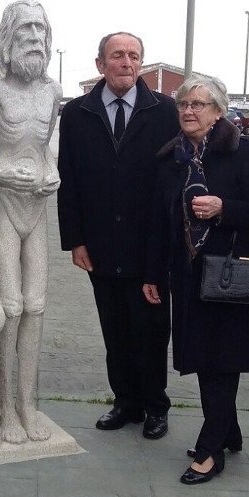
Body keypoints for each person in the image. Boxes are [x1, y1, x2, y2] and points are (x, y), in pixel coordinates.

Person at [142, 75, 249, 484]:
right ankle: (228, 432)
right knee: (203, 358)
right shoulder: (172, 156)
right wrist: (152, 273)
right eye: (183, 104)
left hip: (228, 271)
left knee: (223, 360)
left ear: (218, 111)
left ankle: (210, 449)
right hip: (187, 272)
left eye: (198, 104)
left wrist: (223, 207)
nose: (188, 111)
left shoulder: (241, 150)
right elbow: (159, 222)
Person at [58, 31, 179, 441]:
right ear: (100, 64)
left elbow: (174, 181)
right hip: (101, 244)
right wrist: (75, 239)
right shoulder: (78, 114)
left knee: (151, 330)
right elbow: (69, 180)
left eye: (134, 55)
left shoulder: (165, 111)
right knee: (115, 329)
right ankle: (126, 402)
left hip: (150, 246)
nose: (127, 62)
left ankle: (156, 406)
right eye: (117, 55)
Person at [0, 0, 62, 443]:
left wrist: (53, 170)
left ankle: (28, 404)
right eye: (26, 29)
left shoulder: (52, 90)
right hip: (6, 202)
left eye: (40, 29)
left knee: (36, 305)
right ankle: (5, 406)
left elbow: (47, 144)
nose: (35, 37)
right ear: (8, 36)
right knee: (10, 306)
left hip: (37, 206)